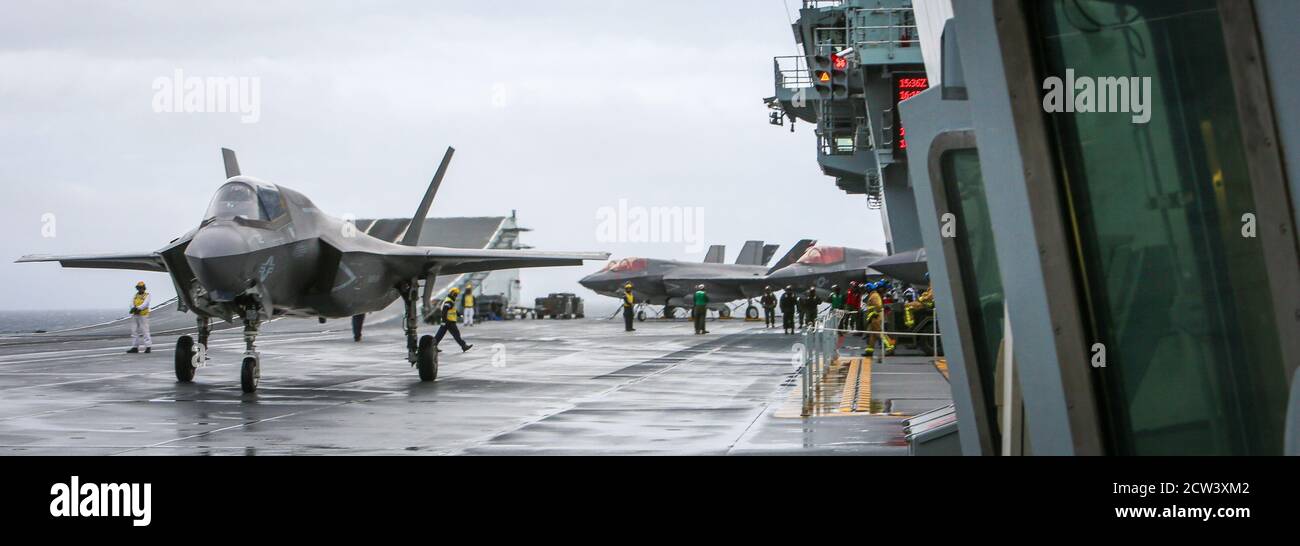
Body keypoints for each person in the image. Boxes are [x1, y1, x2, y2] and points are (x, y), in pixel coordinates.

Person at [433, 287, 473, 353]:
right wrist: (445, 320)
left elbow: (453, 310)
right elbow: (444, 311)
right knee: (456, 334)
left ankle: (433, 346)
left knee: (440, 334)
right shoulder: (449, 301)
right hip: (449, 321)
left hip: (447, 321)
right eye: (455, 294)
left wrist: (459, 314)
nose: (456, 296)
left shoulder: (450, 300)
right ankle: (464, 346)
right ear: (453, 293)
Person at [863, 281, 895, 357]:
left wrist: (873, 315)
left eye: (866, 289)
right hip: (873, 318)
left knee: (880, 333)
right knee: (872, 335)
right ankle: (869, 351)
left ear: (869, 289)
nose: (865, 290)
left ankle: (890, 348)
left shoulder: (874, 295)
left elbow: (878, 306)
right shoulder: (873, 295)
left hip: (875, 318)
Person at [126, 281, 152, 354]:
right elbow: (131, 303)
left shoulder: (147, 295)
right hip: (135, 315)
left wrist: (138, 308)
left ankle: (148, 346)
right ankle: (135, 347)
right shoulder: (135, 295)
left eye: (141, 288)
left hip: (143, 315)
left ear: (144, 288)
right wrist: (133, 308)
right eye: (139, 288)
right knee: (134, 331)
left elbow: (146, 304)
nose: (140, 289)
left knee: (145, 330)